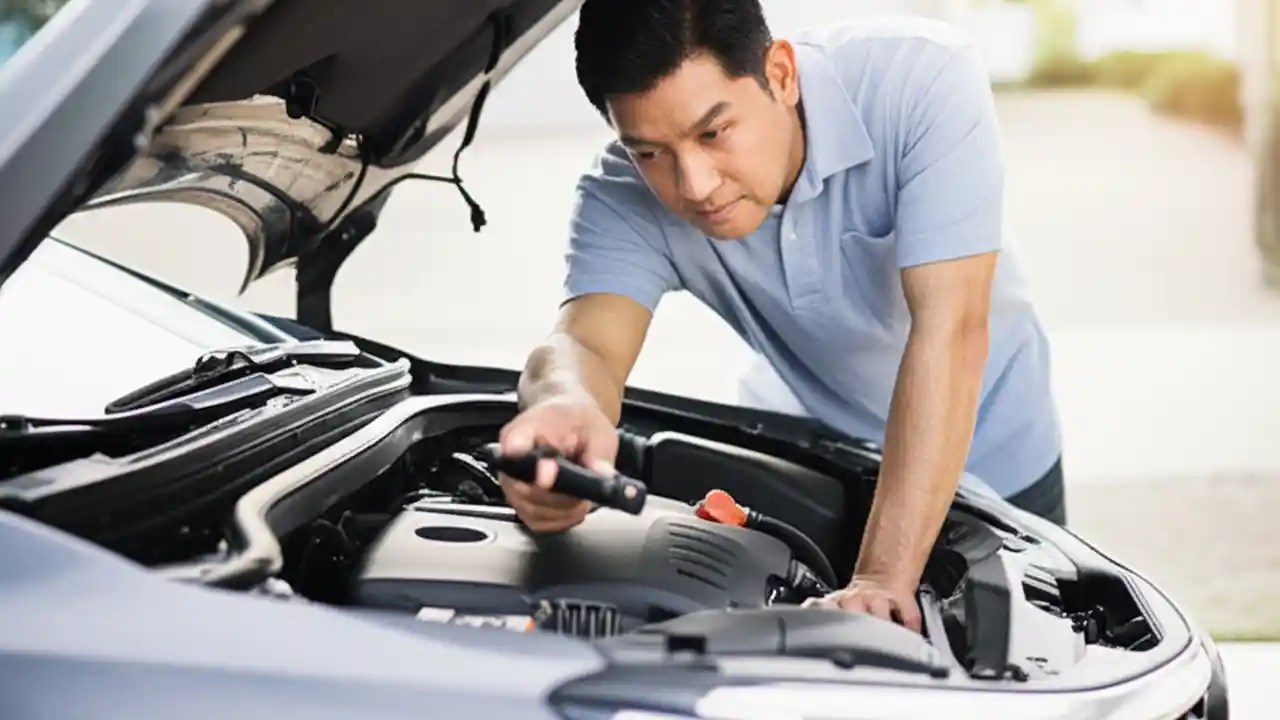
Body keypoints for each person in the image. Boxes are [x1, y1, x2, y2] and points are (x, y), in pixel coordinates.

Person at [497, 0, 1064, 632]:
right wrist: (566, 403)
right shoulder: (621, 196)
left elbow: (951, 329)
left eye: (713, 132)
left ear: (782, 74)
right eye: (650, 151)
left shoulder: (922, 81)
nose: (696, 184)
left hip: (999, 447)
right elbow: (586, 345)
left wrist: (881, 578)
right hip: (827, 460)